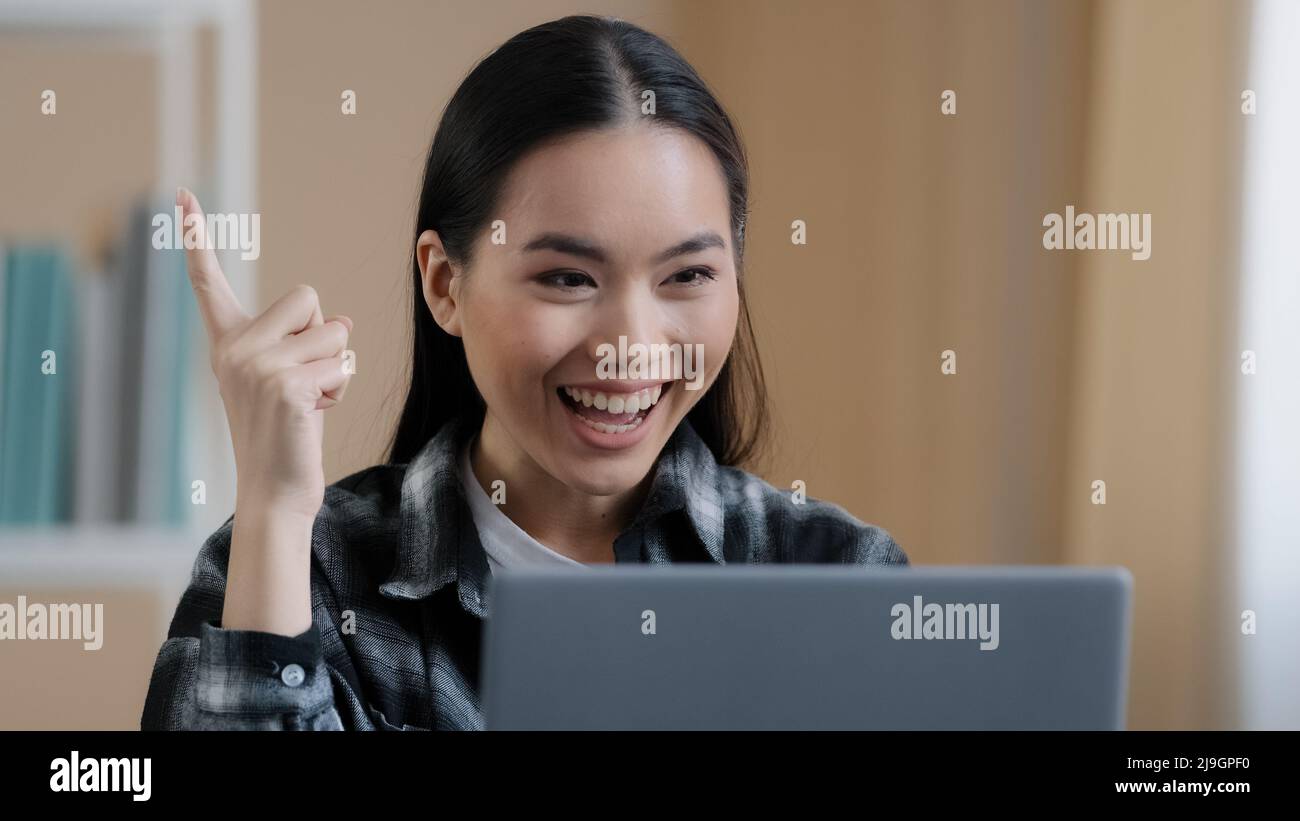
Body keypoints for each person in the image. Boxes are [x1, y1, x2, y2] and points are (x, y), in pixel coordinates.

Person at [141, 14, 907, 731]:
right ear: (445, 284)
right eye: (569, 278)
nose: (630, 346)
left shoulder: (840, 581)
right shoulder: (304, 575)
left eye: (687, 276)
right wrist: (273, 506)